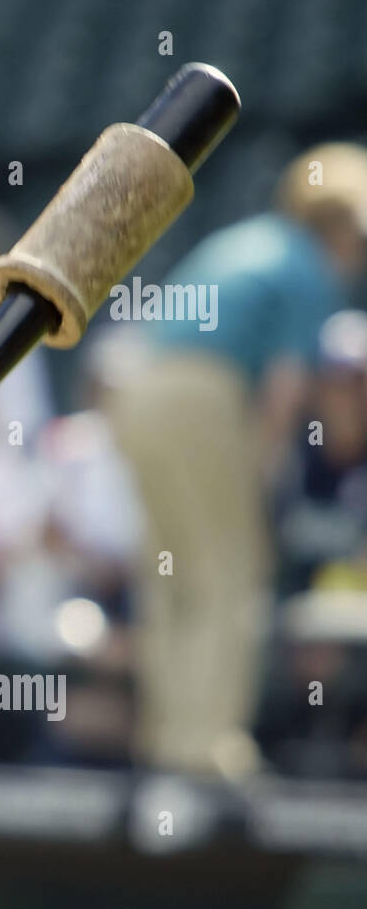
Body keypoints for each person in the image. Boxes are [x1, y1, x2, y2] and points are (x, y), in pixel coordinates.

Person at [102, 142, 367, 780]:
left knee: (171, 579)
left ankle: (166, 741)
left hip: (138, 392)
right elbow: (284, 386)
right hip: (203, 398)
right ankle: (208, 749)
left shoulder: (249, 239)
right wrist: (263, 474)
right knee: (231, 575)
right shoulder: (310, 267)